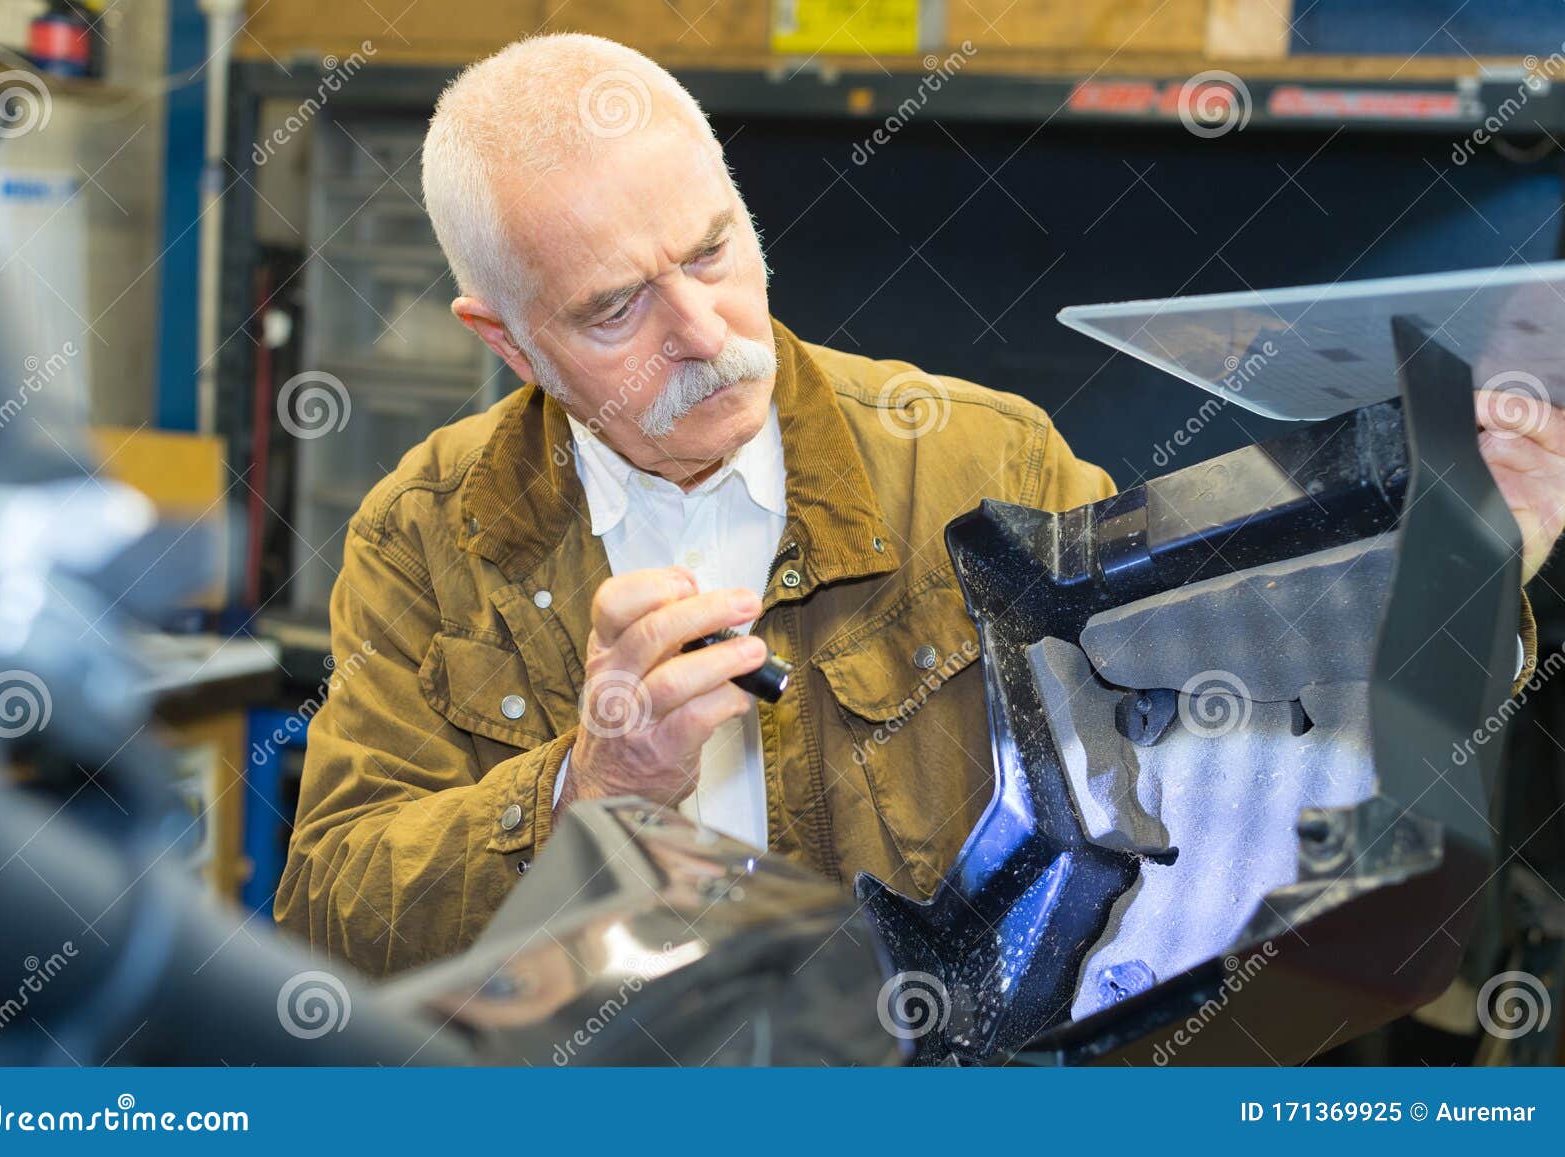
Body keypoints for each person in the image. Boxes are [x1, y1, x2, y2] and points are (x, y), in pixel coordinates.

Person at [275, 34, 1565, 977]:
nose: (705, 332)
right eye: (615, 309)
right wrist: (588, 789)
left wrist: (1473, 558)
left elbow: (1232, 745)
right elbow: (333, 915)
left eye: (713, 250)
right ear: (507, 342)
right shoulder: (426, 529)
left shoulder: (976, 460)